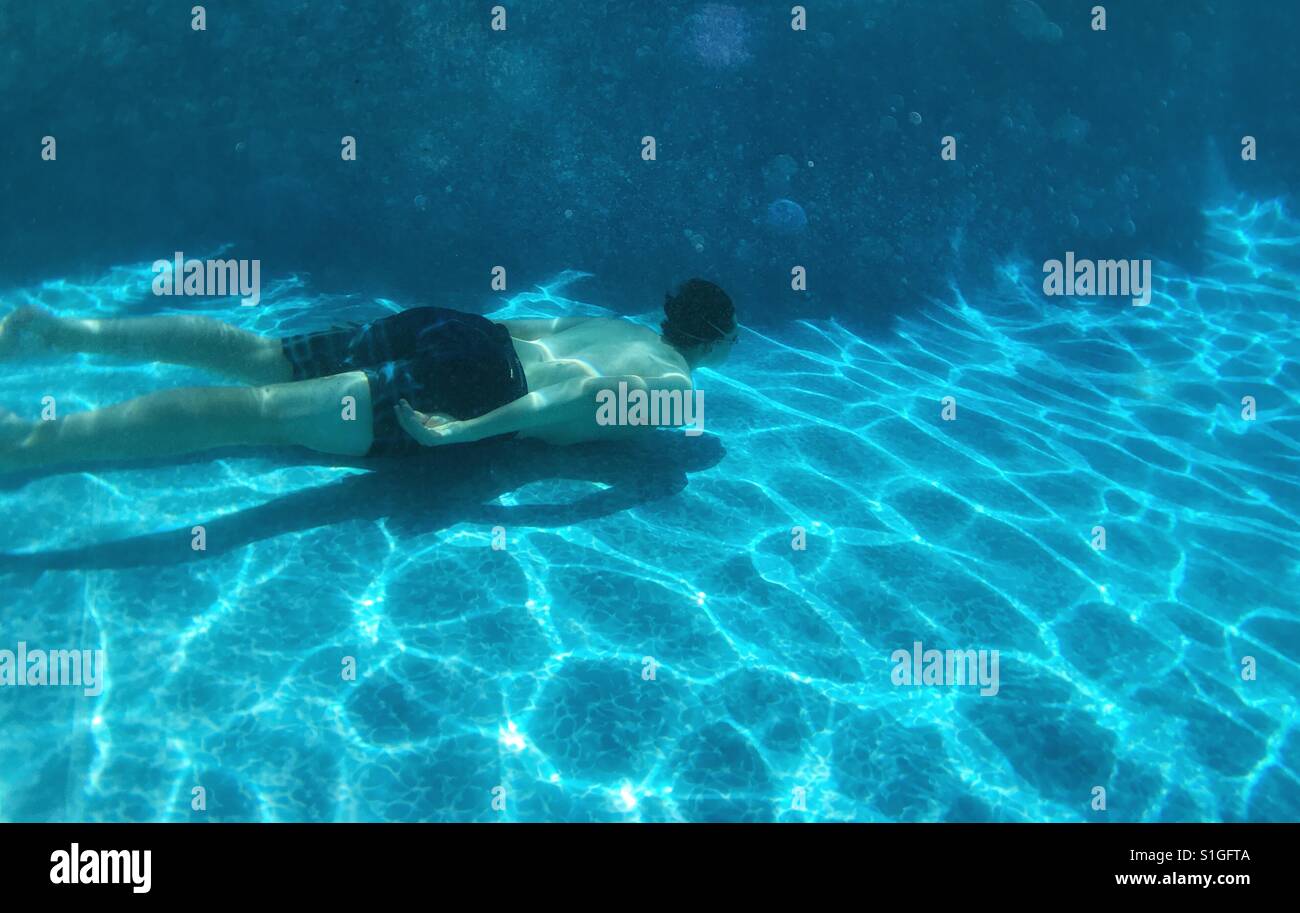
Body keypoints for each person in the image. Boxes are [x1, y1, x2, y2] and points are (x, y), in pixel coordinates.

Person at [0, 278, 738, 472]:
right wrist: (466, 429)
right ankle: (29, 444)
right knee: (256, 412)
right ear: (719, 339)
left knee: (264, 357)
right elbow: (574, 396)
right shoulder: (676, 389)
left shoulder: (613, 325)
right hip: (479, 386)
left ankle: (58, 332)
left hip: (455, 327)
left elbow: (521, 328)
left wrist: (439, 341)